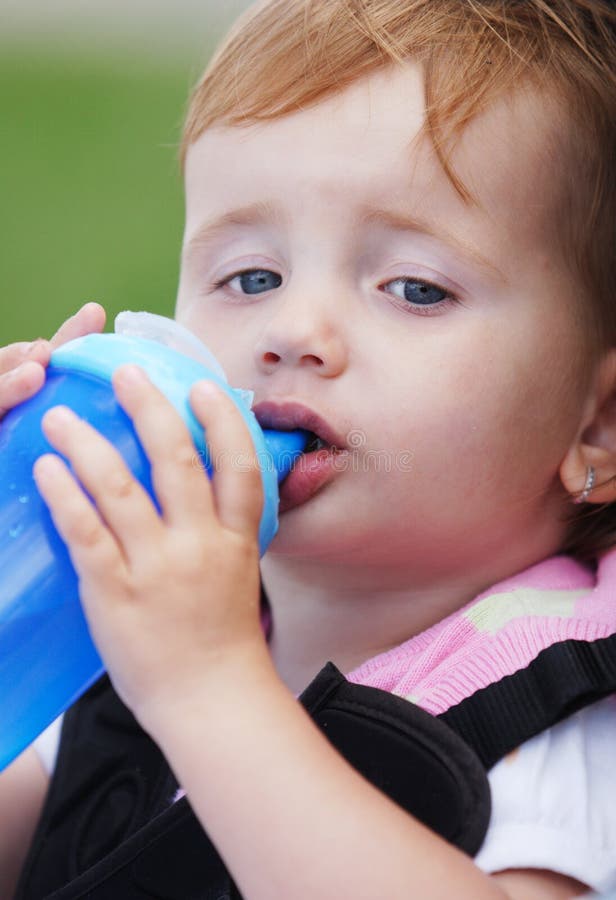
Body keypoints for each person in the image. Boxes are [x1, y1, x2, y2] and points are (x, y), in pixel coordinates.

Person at [1, 0, 616, 897]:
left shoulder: (556, 713)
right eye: (252, 276)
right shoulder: (137, 612)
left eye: (414, 288)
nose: (293, 331)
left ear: (598, 426)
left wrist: (208, 688)